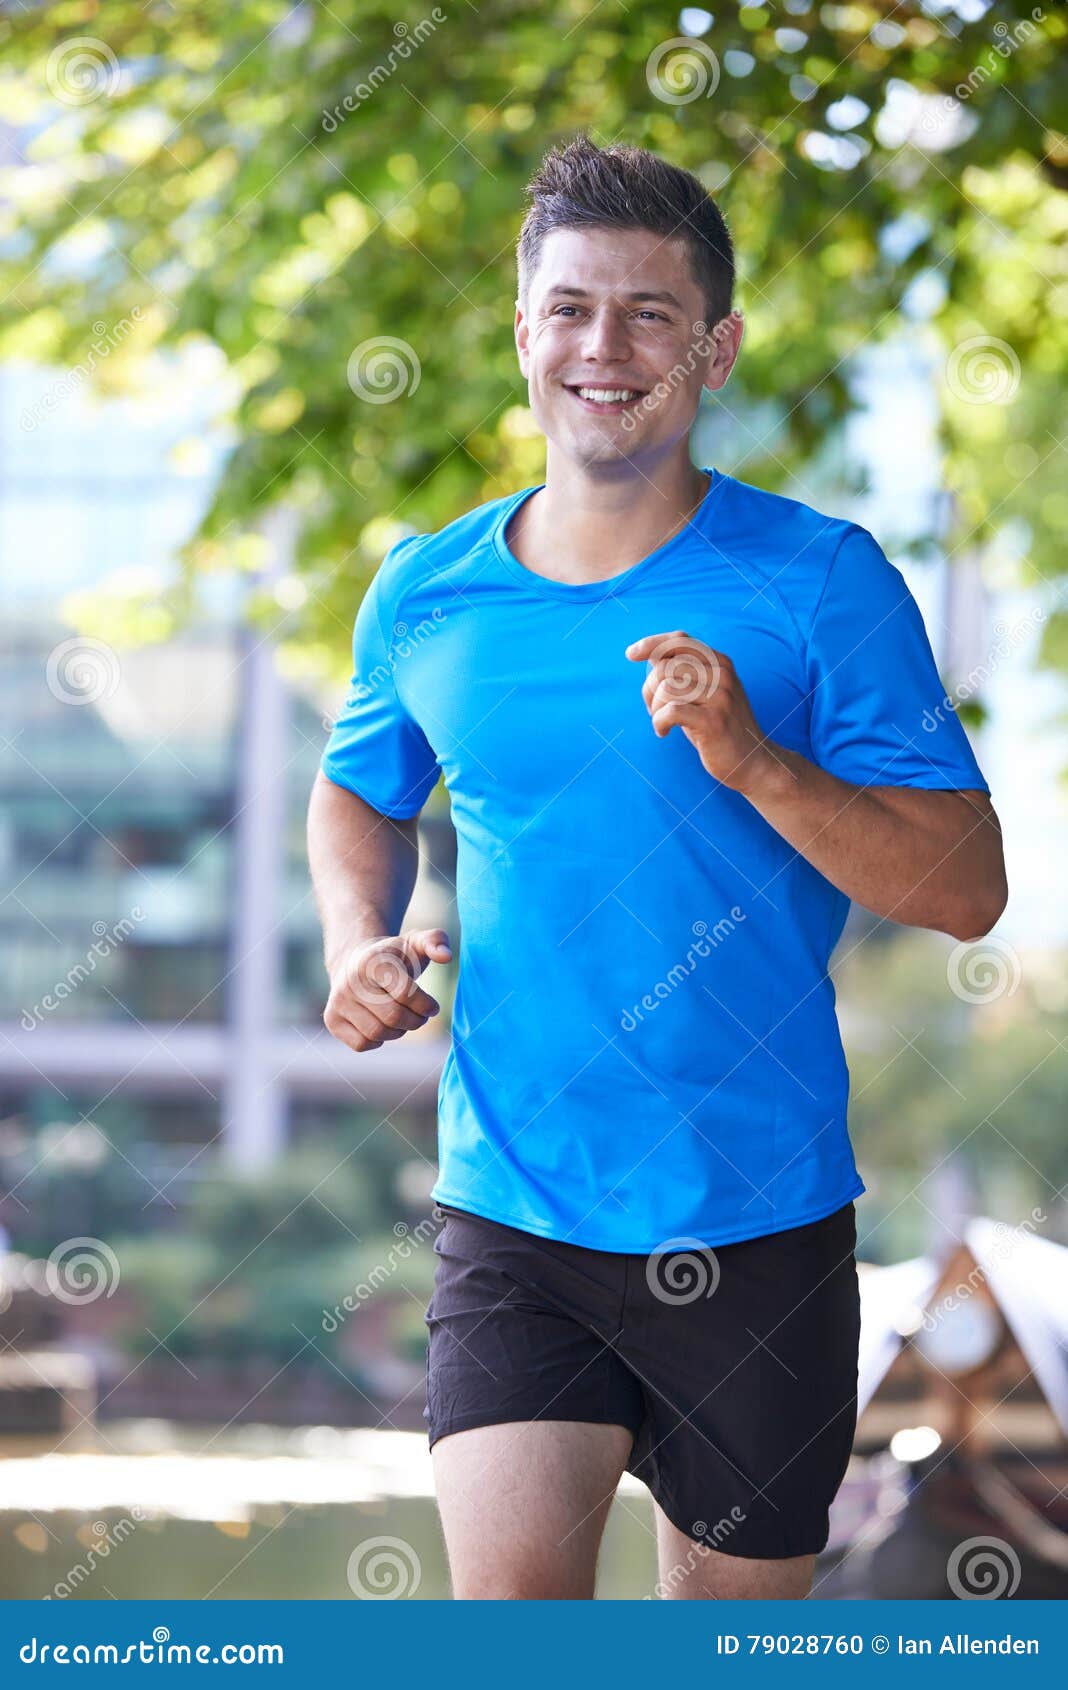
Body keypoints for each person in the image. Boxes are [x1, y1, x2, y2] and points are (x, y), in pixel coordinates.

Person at [307, 135, 1007, 1600]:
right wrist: (350, 939)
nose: (602, 347)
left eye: (647, 312)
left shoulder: (819, 579)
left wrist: (755, 760)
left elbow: (965, 885)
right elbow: (354, 790)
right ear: (522, 331)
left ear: (717, 347)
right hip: (516, 1207)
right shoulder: (427, 588)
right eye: (569, 307)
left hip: (760, 1214)